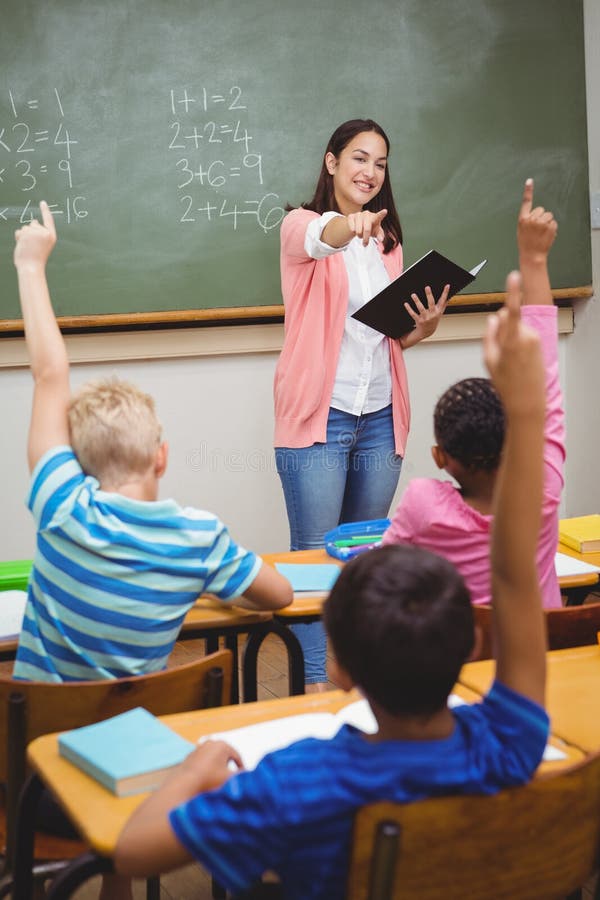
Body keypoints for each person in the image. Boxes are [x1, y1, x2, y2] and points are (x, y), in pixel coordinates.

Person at [114, 259, 549, 900]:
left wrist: (195, 768)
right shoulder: (511, 746)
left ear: (338, 666)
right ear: (475, 647)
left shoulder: (297, 783)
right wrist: (529, 409)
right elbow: (515, 579)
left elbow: (132, 849)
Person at [12, 202, 293, 684]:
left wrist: (29, 263)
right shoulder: (199, 542)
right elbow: (281, 596)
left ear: (77, 464)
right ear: (161, 457)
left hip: (37, 742)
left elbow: (48, 373)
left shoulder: (62, 506)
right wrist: (204, 584)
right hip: (135, 748)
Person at [273, 119, 449, 690]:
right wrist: (352, 227)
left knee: (362, 560)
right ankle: (316, 687)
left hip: (378, 417)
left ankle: (354, 683)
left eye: (380, 163)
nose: (370, 172)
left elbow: (387, 338)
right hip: (319, 419)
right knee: (311, 562)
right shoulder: (301, 227)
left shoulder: (388, 245)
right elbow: (325, 235)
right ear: (331, 163)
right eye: (358, 158)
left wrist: (422, 328)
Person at [383, 179, 563, 609]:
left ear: (440, 456)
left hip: (456, 668)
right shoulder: (543, 488)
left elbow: (381, 578)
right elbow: (546, 376)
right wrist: (534, 261)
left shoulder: (424, 505)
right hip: (542, 665)